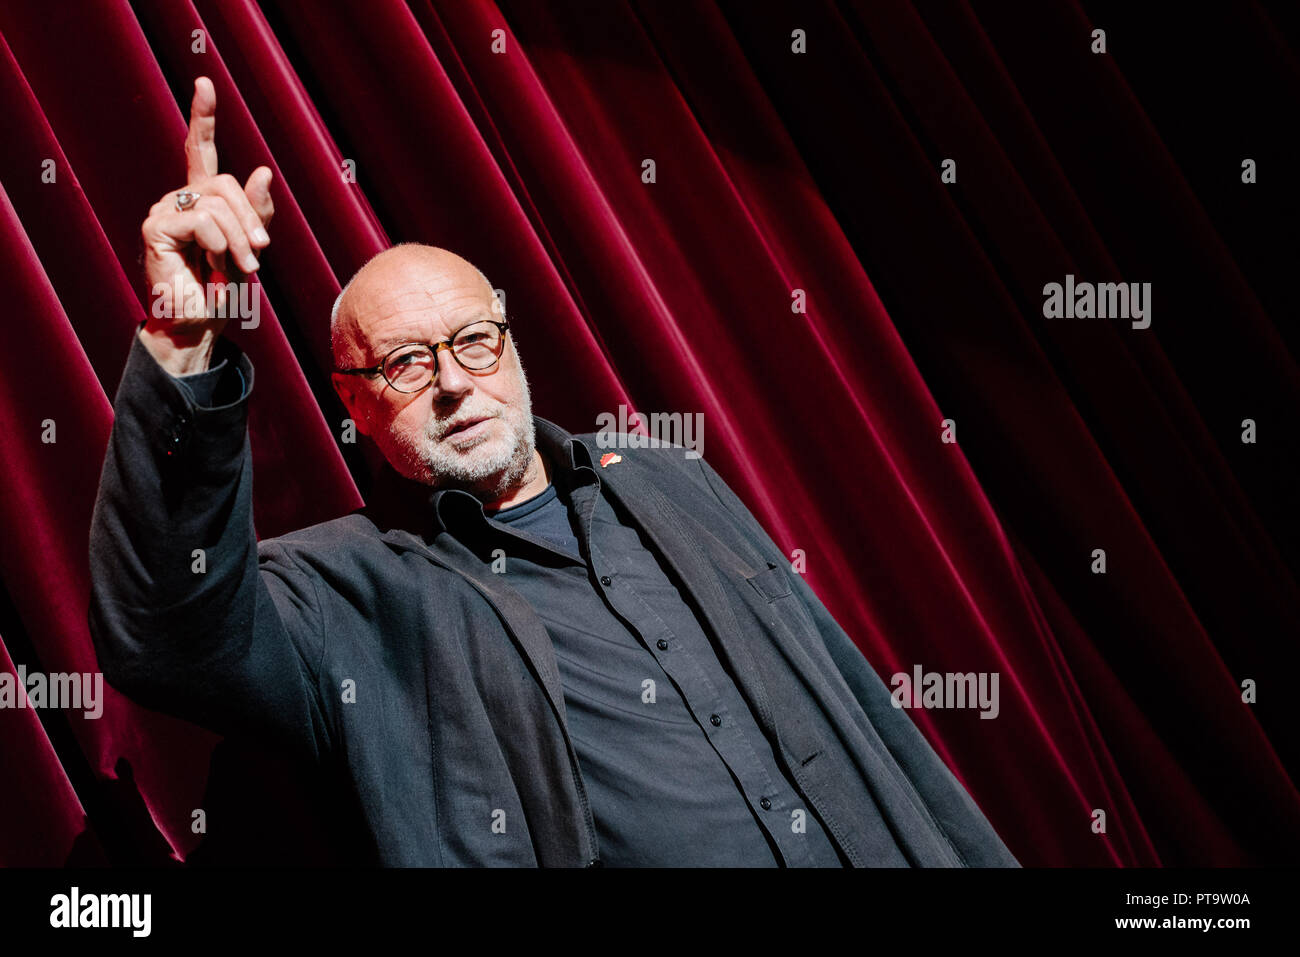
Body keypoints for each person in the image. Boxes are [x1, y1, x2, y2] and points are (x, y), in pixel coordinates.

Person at [88, 77, 1019, 868]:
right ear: (355, 404)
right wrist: (183, 338)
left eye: (474, 341)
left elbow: (860, 710)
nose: (455, 380)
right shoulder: (340, 590)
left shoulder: (665, 479)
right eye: (407, 363)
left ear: (512, 347)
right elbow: (165, 631)